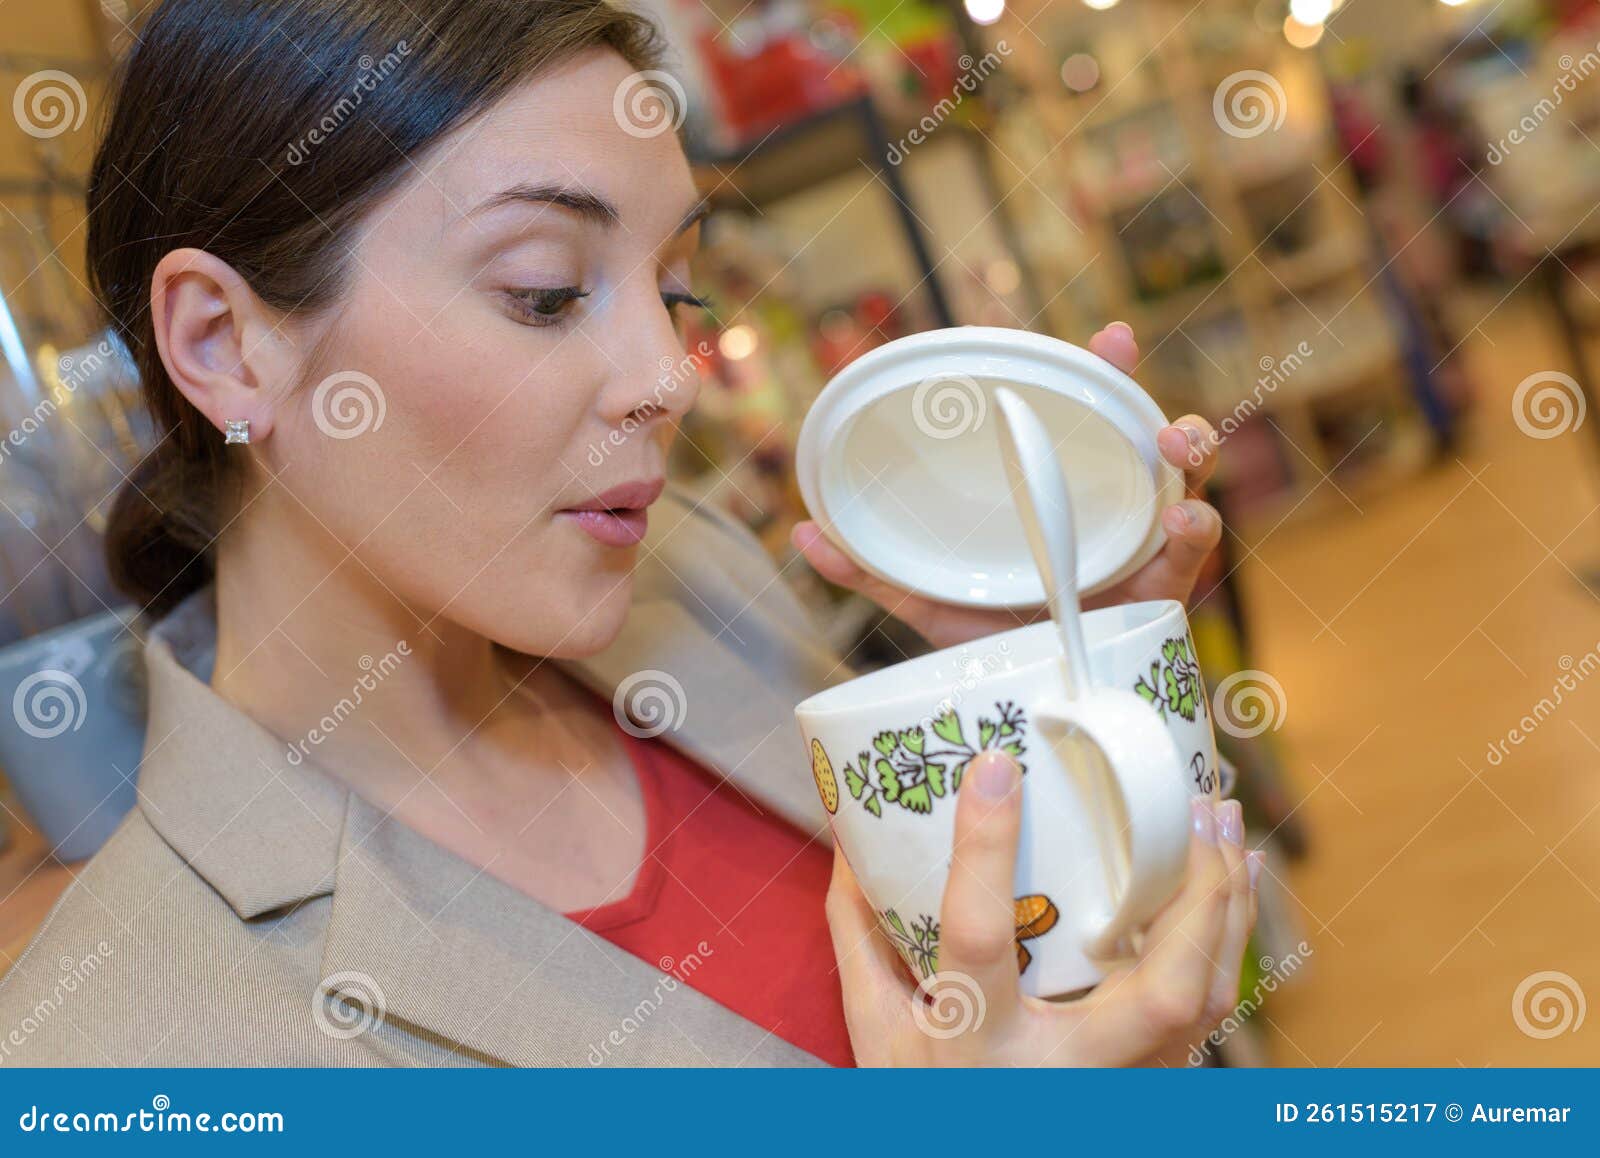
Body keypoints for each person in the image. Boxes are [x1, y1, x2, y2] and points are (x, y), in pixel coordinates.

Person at [0, 0, 1255, 1067]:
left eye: (675, 290)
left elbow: (1093, 983)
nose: (670, 373)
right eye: (543, 293)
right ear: (225, 346)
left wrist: (1031, 687)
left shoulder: (693, 578)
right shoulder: (125, 1040)